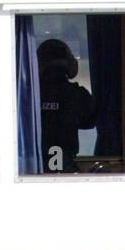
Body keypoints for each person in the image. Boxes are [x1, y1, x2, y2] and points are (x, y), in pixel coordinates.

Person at [37, 38, 96, 173]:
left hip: (35, 169)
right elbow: (90, 121)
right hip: (66, 168)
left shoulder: (29, 99)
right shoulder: (77, 95)